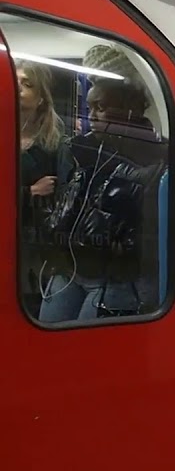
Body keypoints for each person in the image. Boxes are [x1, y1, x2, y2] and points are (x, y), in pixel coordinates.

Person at [37, 44, 165, 322]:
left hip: (116, 278)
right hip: (71, 266)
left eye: (101, 107)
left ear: (130, 108)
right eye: (89, 107)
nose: (91, 115)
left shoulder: (156, 156)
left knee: (84, 355)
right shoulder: (80, 149)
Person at [16, 61, 72, 310]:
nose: (17, 87)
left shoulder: (55, 143)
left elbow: (61, 194)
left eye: (27, 84)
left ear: (40, 98)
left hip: (37, 243)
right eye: (13, 80)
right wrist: (29, 192)